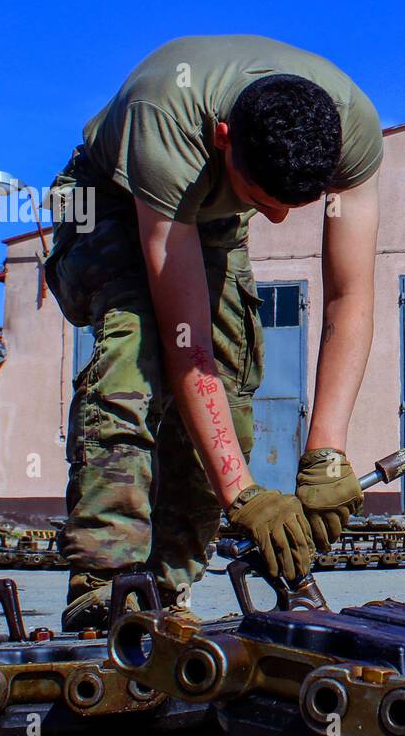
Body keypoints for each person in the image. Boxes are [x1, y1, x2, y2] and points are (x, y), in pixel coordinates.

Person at [44, 35, 381, 629]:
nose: (277, 219)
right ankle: (104, 582)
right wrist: (244, 498)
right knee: (136, 351)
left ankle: (167, 586)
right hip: (104, 201)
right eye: (266, 202)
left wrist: (327, 454)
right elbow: (186, 342)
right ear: (225, 139)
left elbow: (349, 298)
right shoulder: (164, 123)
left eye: (293, 207)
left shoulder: (352, 129)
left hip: (212, 214)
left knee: (232, 380)